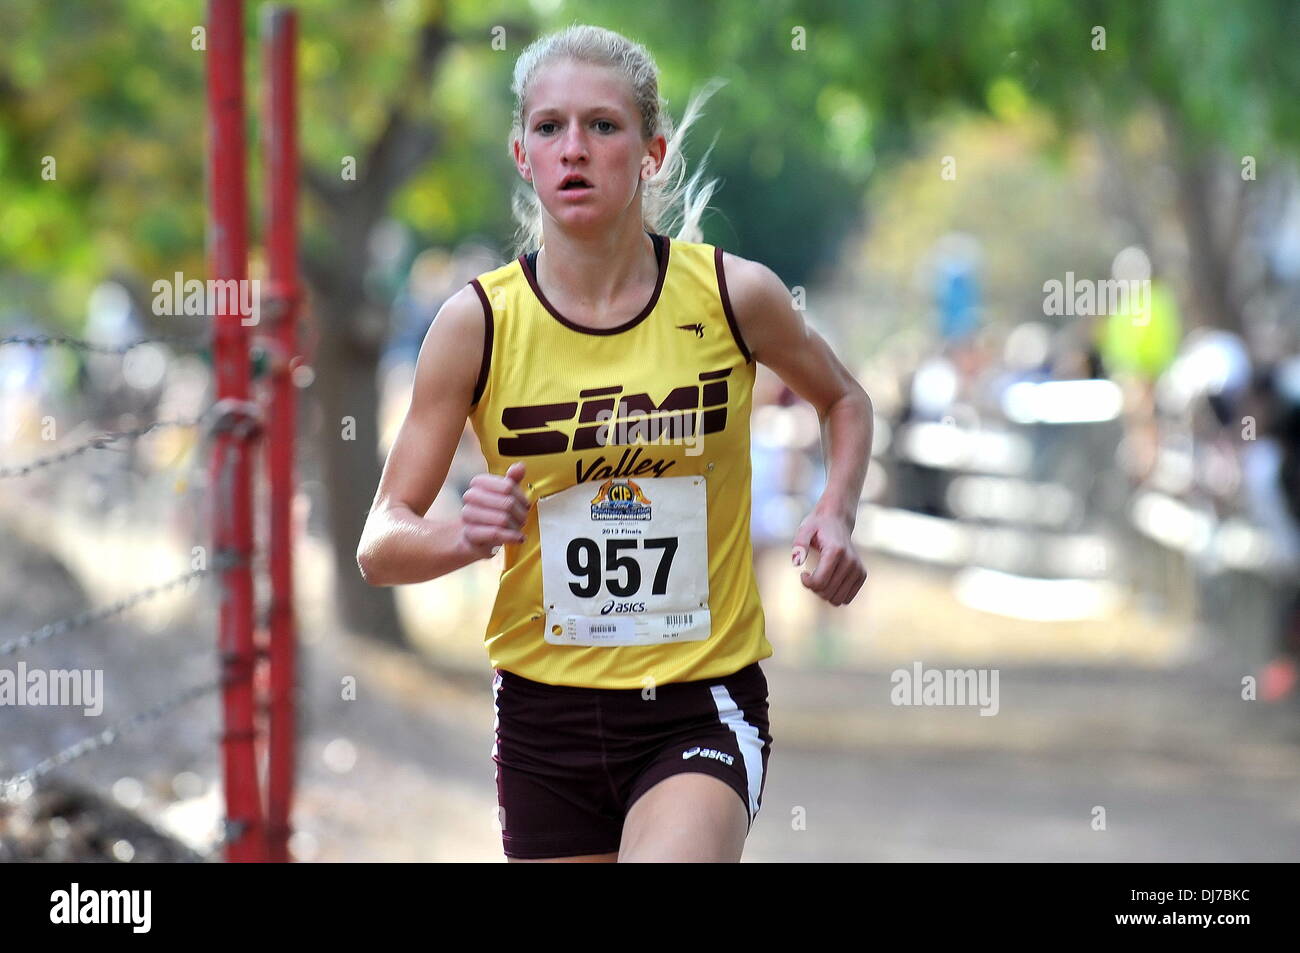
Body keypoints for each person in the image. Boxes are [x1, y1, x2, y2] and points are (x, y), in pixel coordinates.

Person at [356, 24, 873, 863]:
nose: (575, 149)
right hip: (542, 718)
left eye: (603, 126)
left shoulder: (734, 296)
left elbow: (844, 398)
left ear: (651, 151)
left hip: (697, 703)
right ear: (521, 154)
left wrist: (836, 510)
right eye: (550, 128)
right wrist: (461, 533)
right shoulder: (475, 325)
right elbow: (381, 541)